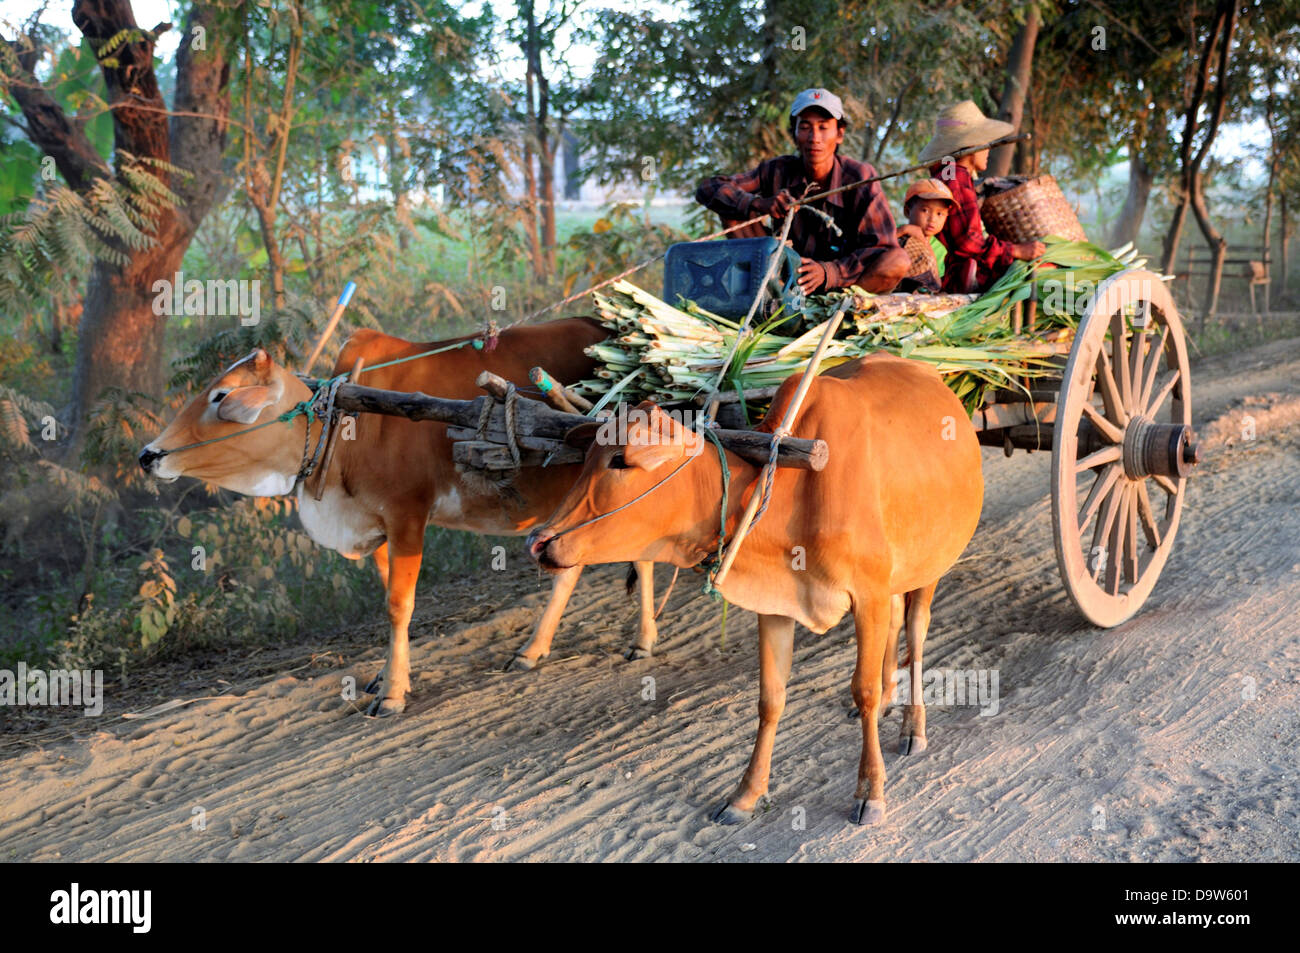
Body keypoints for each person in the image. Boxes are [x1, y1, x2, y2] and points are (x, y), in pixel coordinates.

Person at [695, 88, 909, 295]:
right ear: (794, 134)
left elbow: (881, 246)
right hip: (785, 275)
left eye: (823, 127)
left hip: (845, 284)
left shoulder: (860, 177)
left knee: (898, 261)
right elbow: (708, 188)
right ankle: (771, 295)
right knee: (730, 206)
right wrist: (758, 203)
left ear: (839, 134)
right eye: (805, 127)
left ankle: (838, 310)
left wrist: (829, 272)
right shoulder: (777, 170)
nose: (814, 137)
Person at [917, 100, 1045, 294]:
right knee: (1047, 268)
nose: (988, 149)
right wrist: (1016, 250)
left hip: (957, 274)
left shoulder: (945, 173)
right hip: (969, 276)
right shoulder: (956, 177)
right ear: (971, 146)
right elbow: (968, 241)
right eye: (985, 143)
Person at [896, 178, 957, 293]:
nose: (932, 219)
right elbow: (878, 248)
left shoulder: (939, 250)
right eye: (925, 210)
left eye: (940, 214)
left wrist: (925, 244)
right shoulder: (897, 231)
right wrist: (903, 230)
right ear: (908, 211)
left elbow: (936, 284)